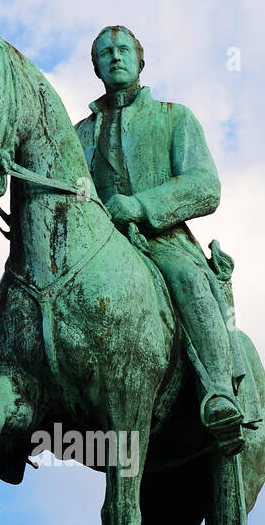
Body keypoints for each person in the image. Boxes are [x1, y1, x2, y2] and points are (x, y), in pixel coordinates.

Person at [75, 24, 244, 449]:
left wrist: (142, 206)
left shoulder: (175, 117)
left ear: (140, 61)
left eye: (123, 50)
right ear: (95, 67)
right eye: (105, 52)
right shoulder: (79, 134)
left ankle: (219, 391)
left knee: (188, 281)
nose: (115, 56)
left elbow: (206, 186)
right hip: (96, 250)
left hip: (162, 241)